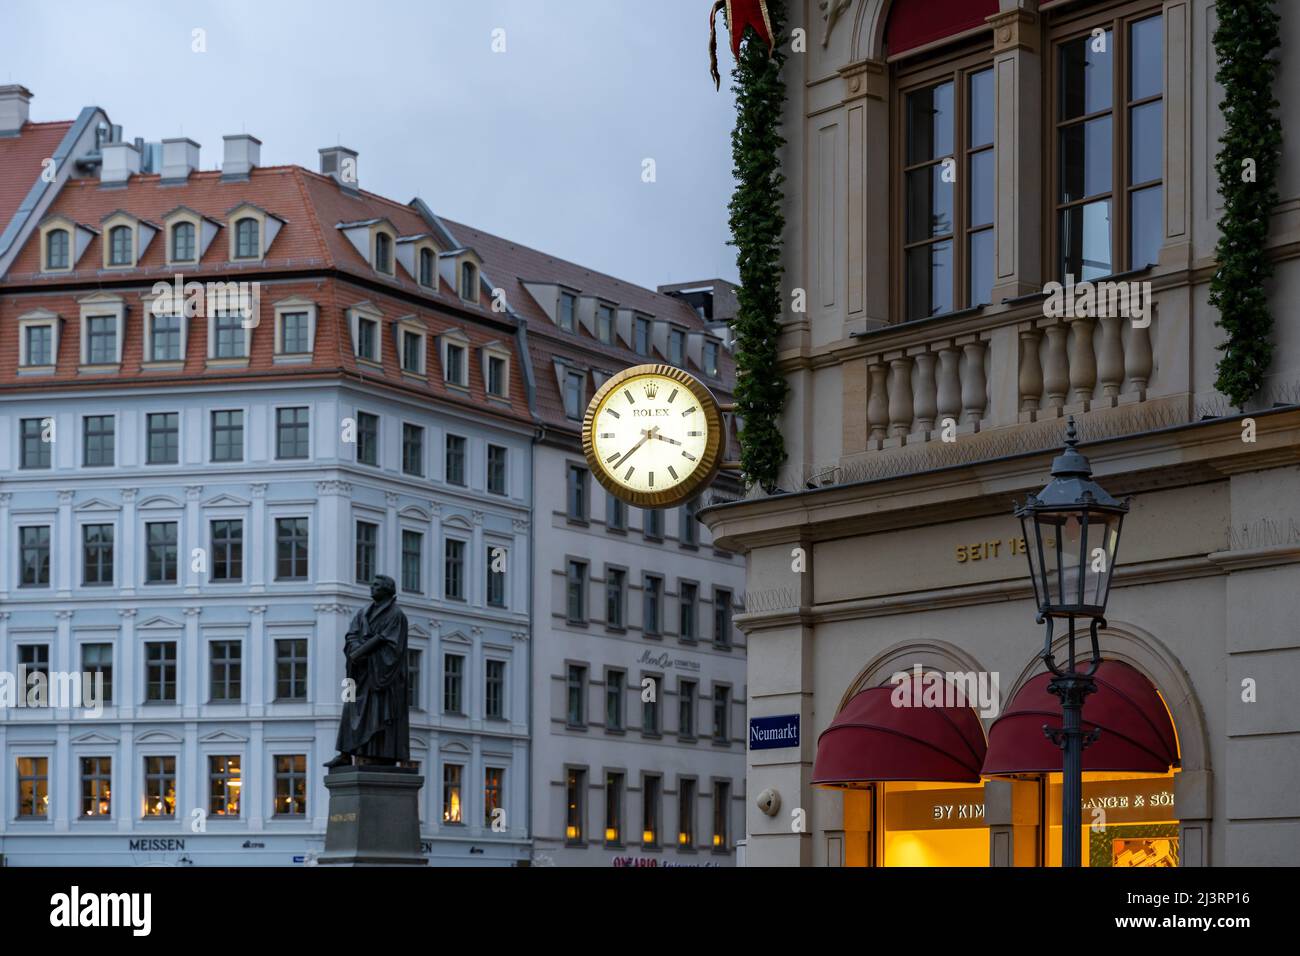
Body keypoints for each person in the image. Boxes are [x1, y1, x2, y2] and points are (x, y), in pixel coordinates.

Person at [324, 575, 410, 769]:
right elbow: (351, 635)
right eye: (372, 584)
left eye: (377, 585)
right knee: (350, 707)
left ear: (388, 589)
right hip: (360, 672)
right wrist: (355, 649)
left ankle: (376, 754)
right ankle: (345, 753)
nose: (372, 588)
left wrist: (362, 651)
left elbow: (392, 645)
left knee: (377, 714)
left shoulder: (396, 615)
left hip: (382, 677)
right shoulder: (363, 612)